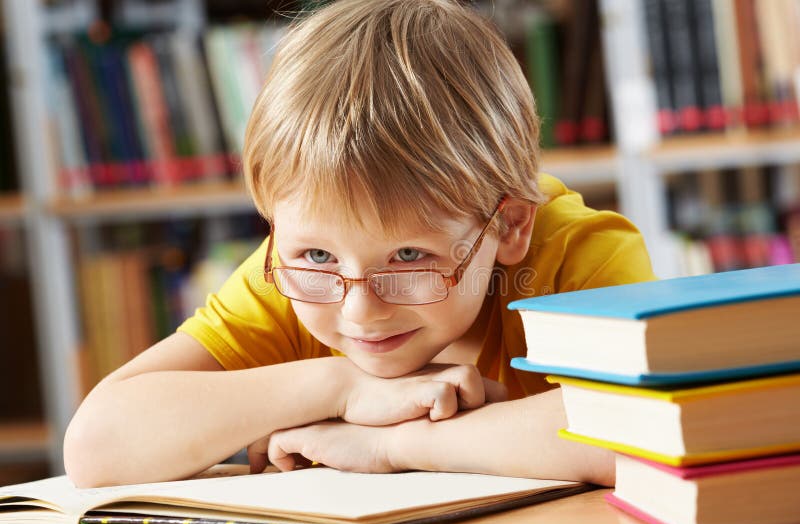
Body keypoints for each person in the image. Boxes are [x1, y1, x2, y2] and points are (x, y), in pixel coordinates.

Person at [64, 0, 656, 488]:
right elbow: (98, 446)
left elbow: (647, 430)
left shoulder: (578, 256)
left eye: (408, 257)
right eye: (317, 254)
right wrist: (343, 388)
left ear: (509, 226)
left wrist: (396, 445)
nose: (359, 310)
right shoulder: (294, 273)